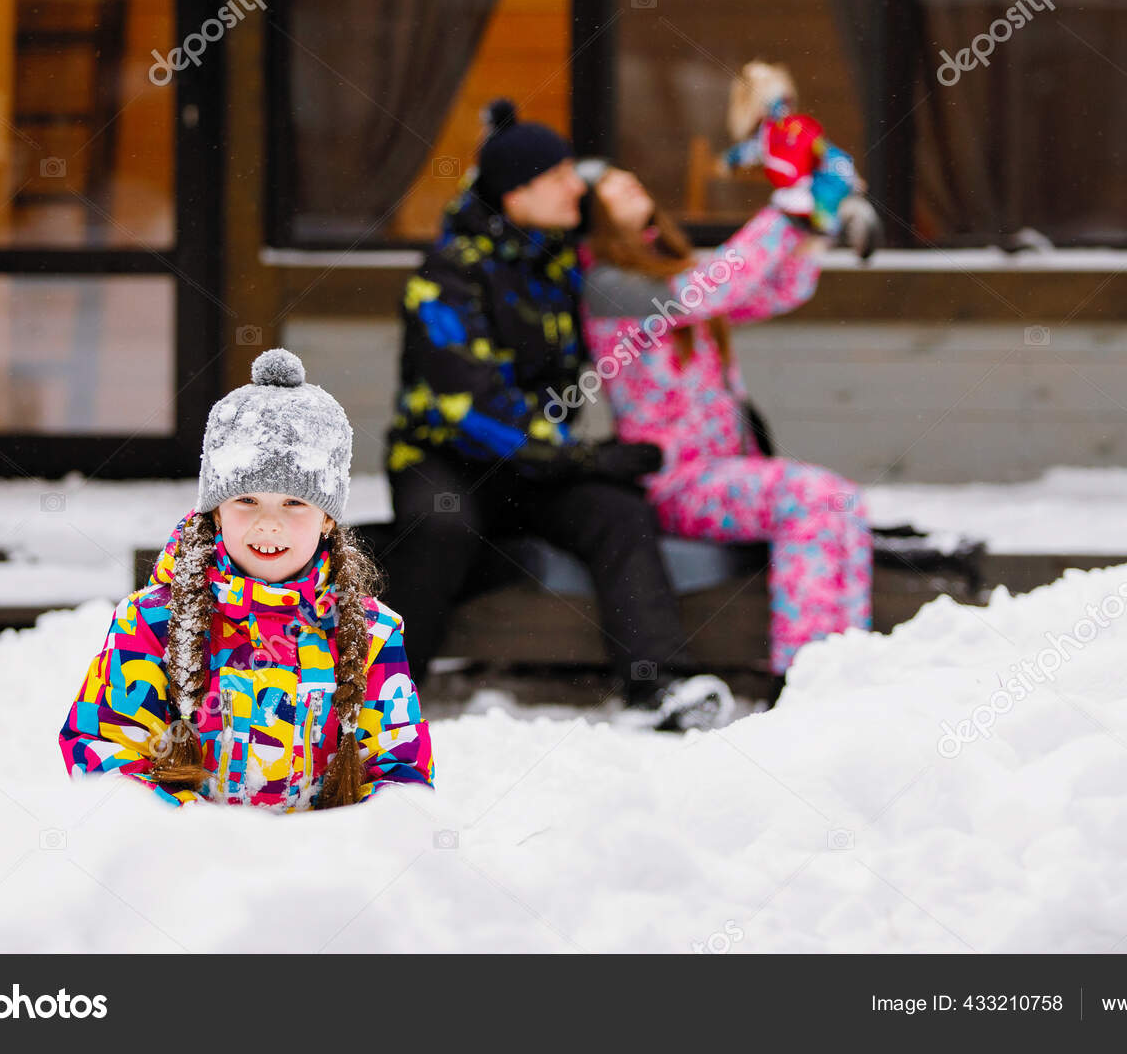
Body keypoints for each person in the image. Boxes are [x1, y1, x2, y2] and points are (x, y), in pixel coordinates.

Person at [381, 98, 735, 731]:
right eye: (560, 176)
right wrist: (585, 456)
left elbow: (645, 269)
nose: (578, 185)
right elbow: (473, 410)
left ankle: (658, 686)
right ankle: (381, 695)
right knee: (443, 527)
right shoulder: (448, 274)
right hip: (446, 458)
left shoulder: (560, 263)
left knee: (619, 513)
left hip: (540, 462)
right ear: (516, 194)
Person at [59, 348, 434, 810]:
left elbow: (400, 771)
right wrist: (195, 833)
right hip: (186, 867)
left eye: (295, 503)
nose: (269, 524)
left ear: (328, 520)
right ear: (216, 510)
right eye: (247, 501)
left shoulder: (370, 633)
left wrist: (345, 845)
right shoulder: (151, 623)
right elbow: (105, 751)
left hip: (323, 869)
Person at [577, 165, 873, 703]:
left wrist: (816, 230)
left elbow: (777, 291)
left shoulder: (669, 274)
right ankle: (801, 680)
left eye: (630, 177)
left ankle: (843, 667)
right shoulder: (607, 285)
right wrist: (785, 213)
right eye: (613, 187)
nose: (632, 182)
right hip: (673, 480)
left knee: (841, 499)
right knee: (809, 495)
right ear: (593, 217)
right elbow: (706, 290)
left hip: (726, 469)